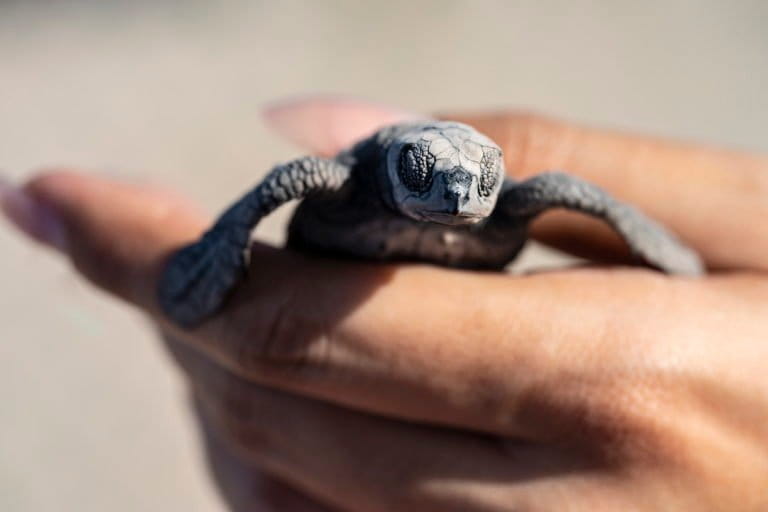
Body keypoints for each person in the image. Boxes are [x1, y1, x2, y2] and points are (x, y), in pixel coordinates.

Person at [2, 98, 767, 511]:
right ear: (399, 166)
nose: (462, 196)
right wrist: (213, 260)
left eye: (480, 180)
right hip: (335, 254)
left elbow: (566, 192)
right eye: (433, 176)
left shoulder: (497, 196)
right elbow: (284, 182)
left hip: (466, 276)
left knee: (564, 189)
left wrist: (672, 266)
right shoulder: (348, 177)